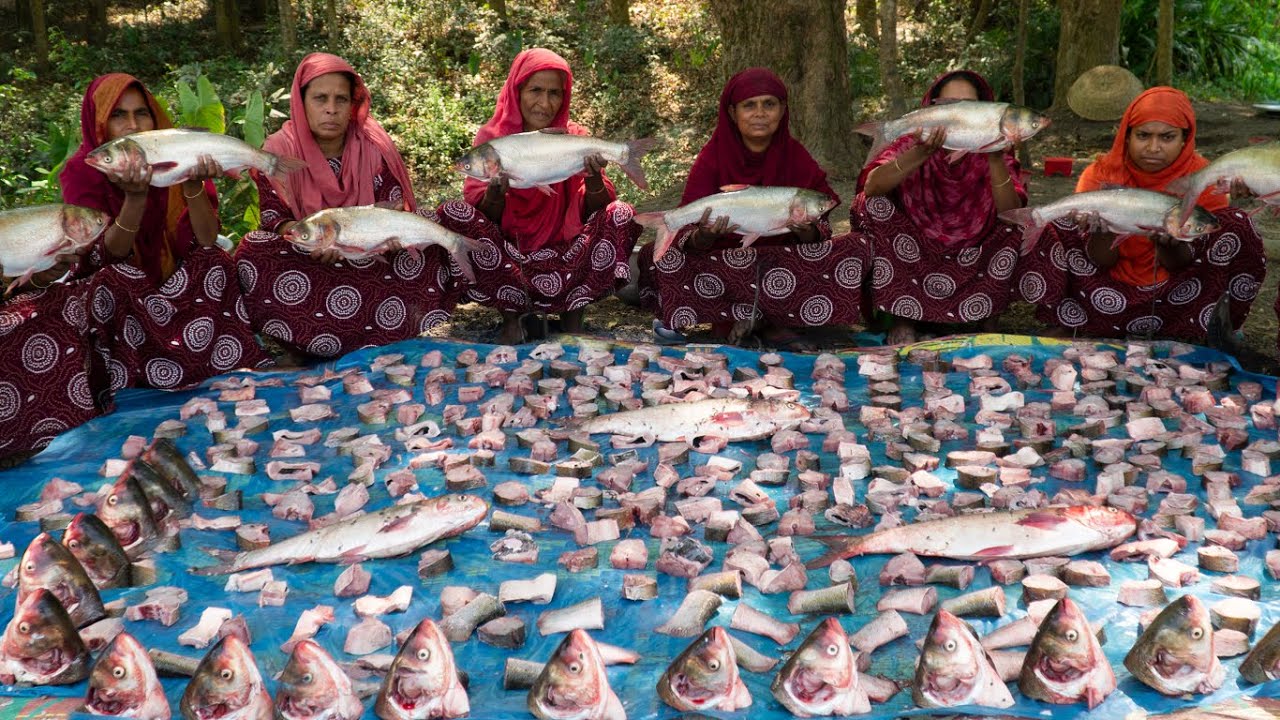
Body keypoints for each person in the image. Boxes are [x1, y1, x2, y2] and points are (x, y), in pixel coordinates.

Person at [235, 53, 466, 359]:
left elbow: (395, 207)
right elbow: (273, 219)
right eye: (320, 98)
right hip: (309, 262)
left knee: (431, 224)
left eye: (341, 99)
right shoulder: (278, 151)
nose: (331, 108)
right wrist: (310, 237)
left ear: (352, 104)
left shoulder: (374, 146)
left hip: (372, 257)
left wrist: (387, 238)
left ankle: (390, 332)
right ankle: (306, 343)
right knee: (254, 249)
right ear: (302, 102)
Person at [60, 72, 270, 390]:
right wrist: (135, 198)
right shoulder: (82, 172)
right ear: (99, 122)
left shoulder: (175, 151)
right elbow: (106, 255)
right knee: (114, 279)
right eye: (118, 115)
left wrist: (192, 184)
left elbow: (206, 239)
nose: (133, 125)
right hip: (125, 298)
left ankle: (217, 360)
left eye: (141, 113)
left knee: (215, 261)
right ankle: (135, 375)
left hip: (176, 287)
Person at [636, 67, 865, 349]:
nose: (760, 113)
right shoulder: (712, 157)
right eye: (749, 105)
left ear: (783, 110)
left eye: (769, 104)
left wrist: (807, 232)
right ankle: (755, 321)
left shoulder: (797, 156)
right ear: (733, 113)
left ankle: (764, 320)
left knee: (855, 246)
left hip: (783, 266)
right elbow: (687, 235)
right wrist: (704, 236)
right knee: (656, 256)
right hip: (723, 268)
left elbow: (823, 230)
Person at [434, 48, 643, 344]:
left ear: (564, 96)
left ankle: (573, 316)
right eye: (535, 91)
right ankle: (512, 317)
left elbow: (598, 209)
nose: (544, 103)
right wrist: (496, 193)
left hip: (569, 255)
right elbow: (481, 216)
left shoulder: (575, 137)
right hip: (512, 258)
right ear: (517, 90)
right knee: (453, 215)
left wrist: (594, 176)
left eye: (554, 93)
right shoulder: (492, 141)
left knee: (621, 213)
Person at [1022, 86, 1264, 341]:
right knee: (1060, 225)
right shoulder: (1100, 174)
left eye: (1167, 137)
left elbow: (1183, 264)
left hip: (1179, 300)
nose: (1153, 147)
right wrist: (1102, 232)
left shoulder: (1203, 179)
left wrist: (1168, 246)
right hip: (1102, 295)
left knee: (1237, 224)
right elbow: (1102, 260)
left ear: (1185, 139)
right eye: (1143, 135)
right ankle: (1068, 321)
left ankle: (1218, 327)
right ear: (1127, 136)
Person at [853, 70, 1028, 346]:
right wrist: (922, 152)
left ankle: (987, 318)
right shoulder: (912, 141)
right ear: (931, 109)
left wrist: (994, 158)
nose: (959, 113)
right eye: (949, 106)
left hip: (974, 251)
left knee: (1016, 223)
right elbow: (872, 187)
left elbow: (1011, 212)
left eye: (969, 106)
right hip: (915, 249)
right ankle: (903, 316)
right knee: (871, 205)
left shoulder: (996, 145)